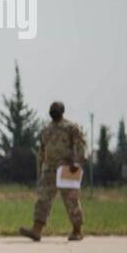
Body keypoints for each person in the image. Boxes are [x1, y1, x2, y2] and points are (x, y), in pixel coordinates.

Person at [20, 100, 86, 242]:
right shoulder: (46, 129)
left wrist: (77, 162)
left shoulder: (71, 128)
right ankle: (36, 230)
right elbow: (42, 150)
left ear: (62, 111)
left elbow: (80, 145)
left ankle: (77, 231)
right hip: (49, 170)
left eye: (56, 108)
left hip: (67, 168)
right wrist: (40, 167)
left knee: (71, 200)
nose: (53, 110)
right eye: (51, 108)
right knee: (43, 199)